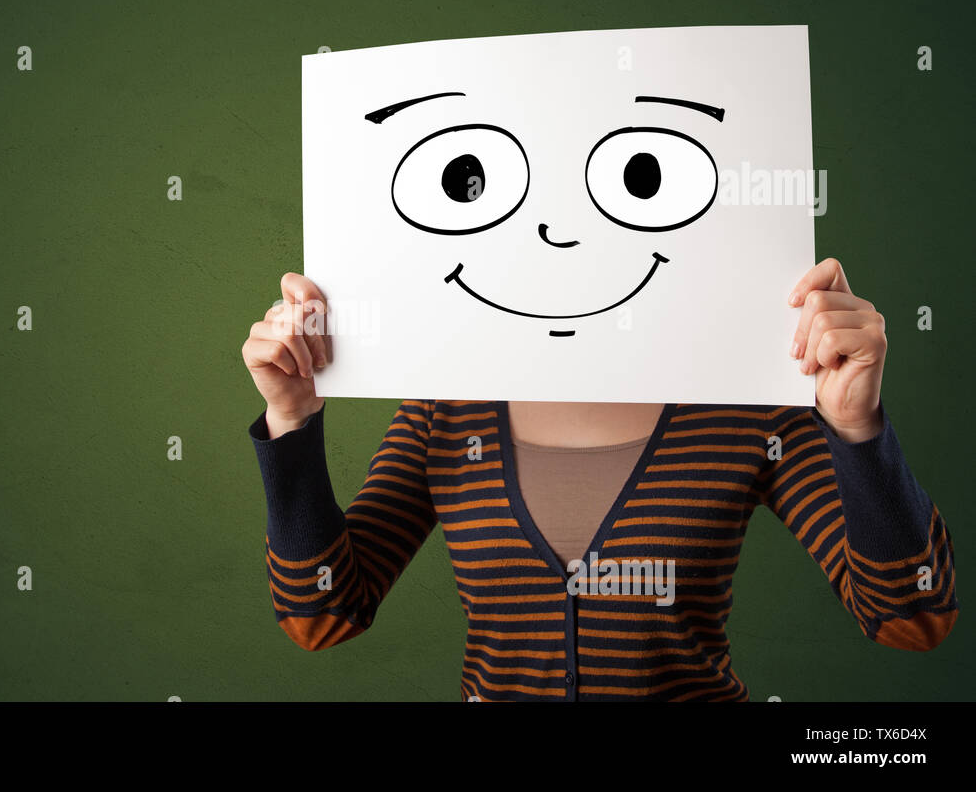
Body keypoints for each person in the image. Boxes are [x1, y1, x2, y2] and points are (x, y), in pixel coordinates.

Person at [242, 259, 958, 701]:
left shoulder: (744, 398)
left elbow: (911, 616)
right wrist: (291, 421)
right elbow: (323, 614)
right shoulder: (446, 406)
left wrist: (858, 430)